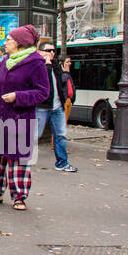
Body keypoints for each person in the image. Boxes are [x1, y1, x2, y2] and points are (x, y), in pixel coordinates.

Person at [0, 24, 51, 211]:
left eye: (8, 40)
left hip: (19, 118)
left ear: (20, 43)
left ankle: (19, 197)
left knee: (17, 159)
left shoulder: (35, 63)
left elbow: (43, 92)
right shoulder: (7, 60)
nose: (5, 42)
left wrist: (18, 96)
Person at [35, 39, 77, 173]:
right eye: (48, 51)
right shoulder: (36, 65)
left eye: (53, 51)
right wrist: (46, 66)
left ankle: (62, 162)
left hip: (57, 106)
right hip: (42, 106)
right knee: (35, 134)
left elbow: (61, 82)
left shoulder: (55, 65)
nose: (51, 53)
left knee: (60, 135)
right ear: (40, 52)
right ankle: (19, 158)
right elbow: (42, 83)